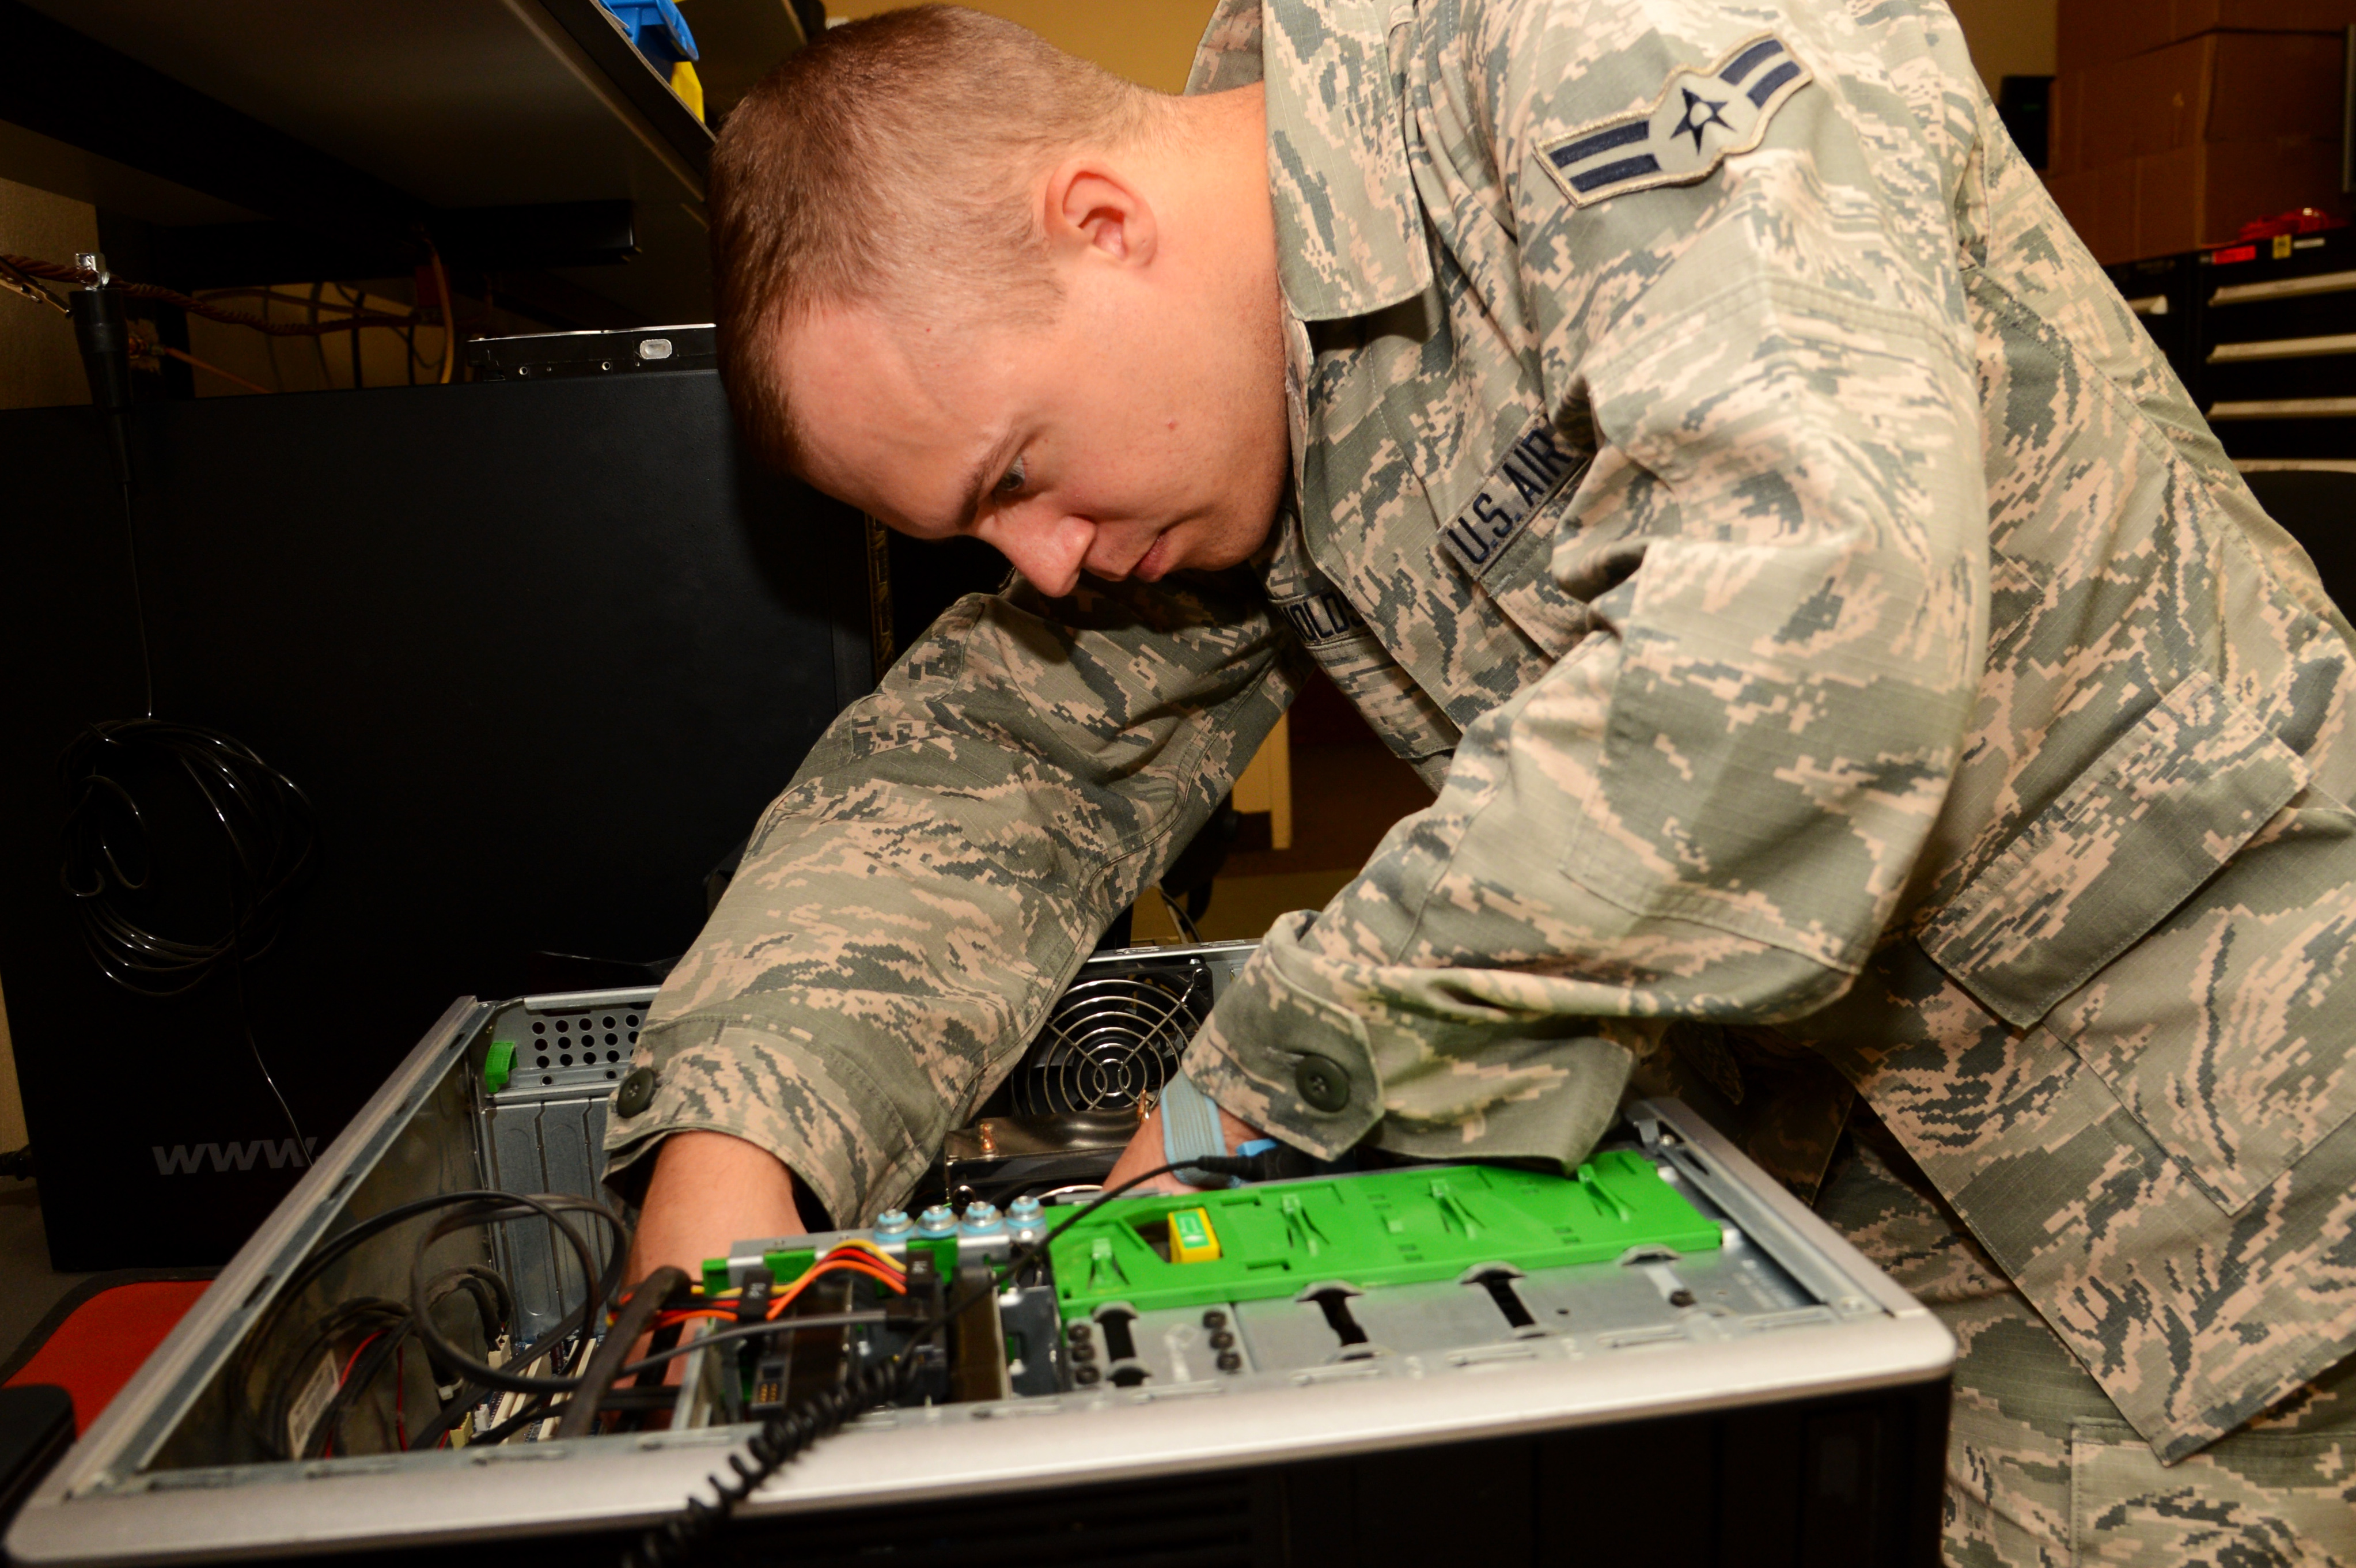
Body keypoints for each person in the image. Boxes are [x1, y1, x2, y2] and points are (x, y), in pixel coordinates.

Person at [604, 1, 2356, 1559]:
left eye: (1015, 475)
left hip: (2228, 1169)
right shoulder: (1235, 359)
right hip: (1833, 1192)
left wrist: (1250, 1096)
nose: (1042, 564)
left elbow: (1798, 637)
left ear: (1100, 222)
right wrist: (735, 1139)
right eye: (976, 529)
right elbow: (997, 760)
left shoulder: (1599, 46)